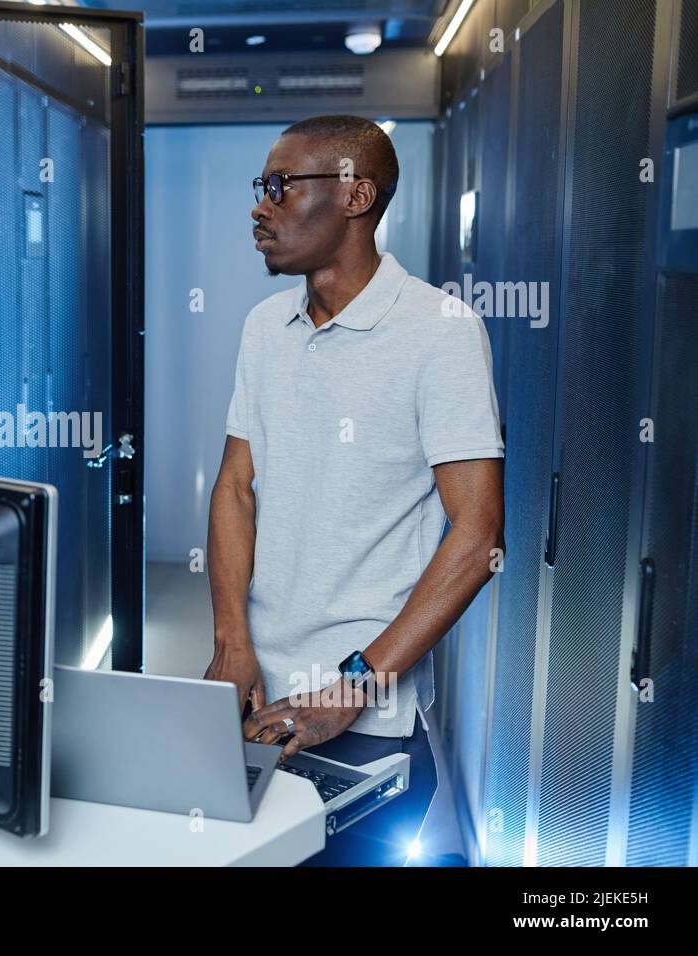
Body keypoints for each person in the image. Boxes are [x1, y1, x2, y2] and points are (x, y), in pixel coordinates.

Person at [204, 115, 504, 866]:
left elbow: (477, 538)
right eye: (258, 187)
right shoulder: (264, 326)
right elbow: (236, 486)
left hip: (367, 727)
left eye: (281, 186)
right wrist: (231, 642)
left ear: (356, 195)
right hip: (252, 703)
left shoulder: (442, 332)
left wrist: (353, 687)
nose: (259, 207)